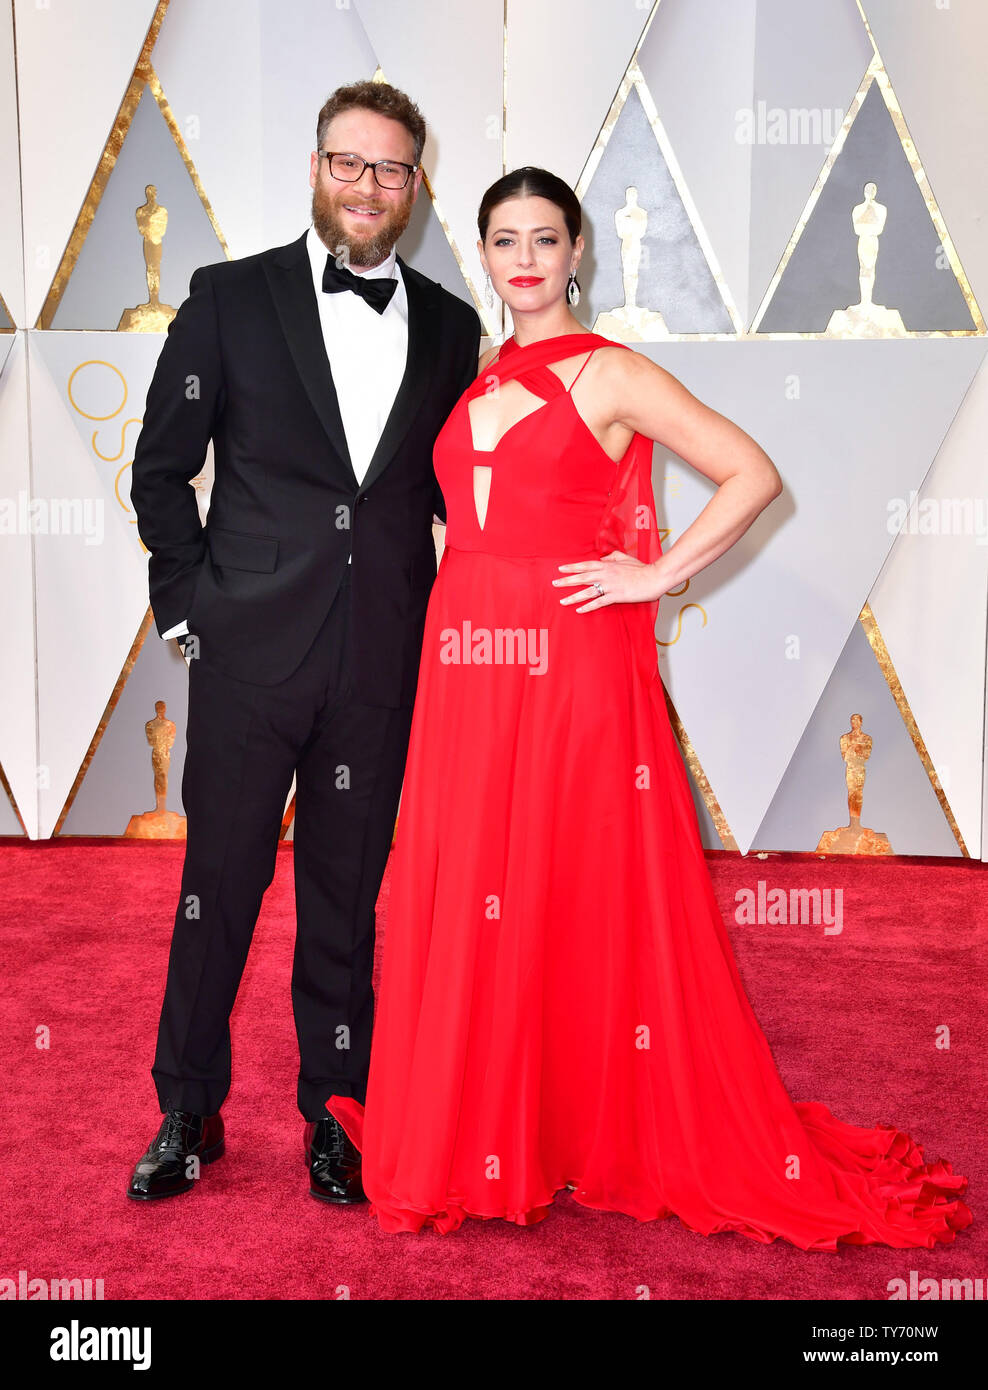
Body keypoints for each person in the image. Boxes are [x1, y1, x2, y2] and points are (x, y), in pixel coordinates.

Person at [326, 166, 971, 1247]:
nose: (523, 258)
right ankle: (493, 1127)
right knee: (481, 874)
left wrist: (651, 573)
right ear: (481, 256)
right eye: (502, 239)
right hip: (468, 656)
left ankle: (571, 1122)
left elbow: (748, 472)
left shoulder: (612, 374)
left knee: (568, 873)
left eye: (543, 237)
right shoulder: (478, 373)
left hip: (565, 661)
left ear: (578, 252)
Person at [126, 81, 481, 1203]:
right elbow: (160, 470)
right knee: (215, 888)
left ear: (416, 187)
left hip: (378, 660)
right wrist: (190, 608)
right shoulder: (229, 299)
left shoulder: (453, 328)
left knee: (344, 897)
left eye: (390, 169)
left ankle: (337, 1112)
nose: (367, 187)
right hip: (247, 655)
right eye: (348, 162)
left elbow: (456, 498)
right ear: (315, 165)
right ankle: (187, 1111)